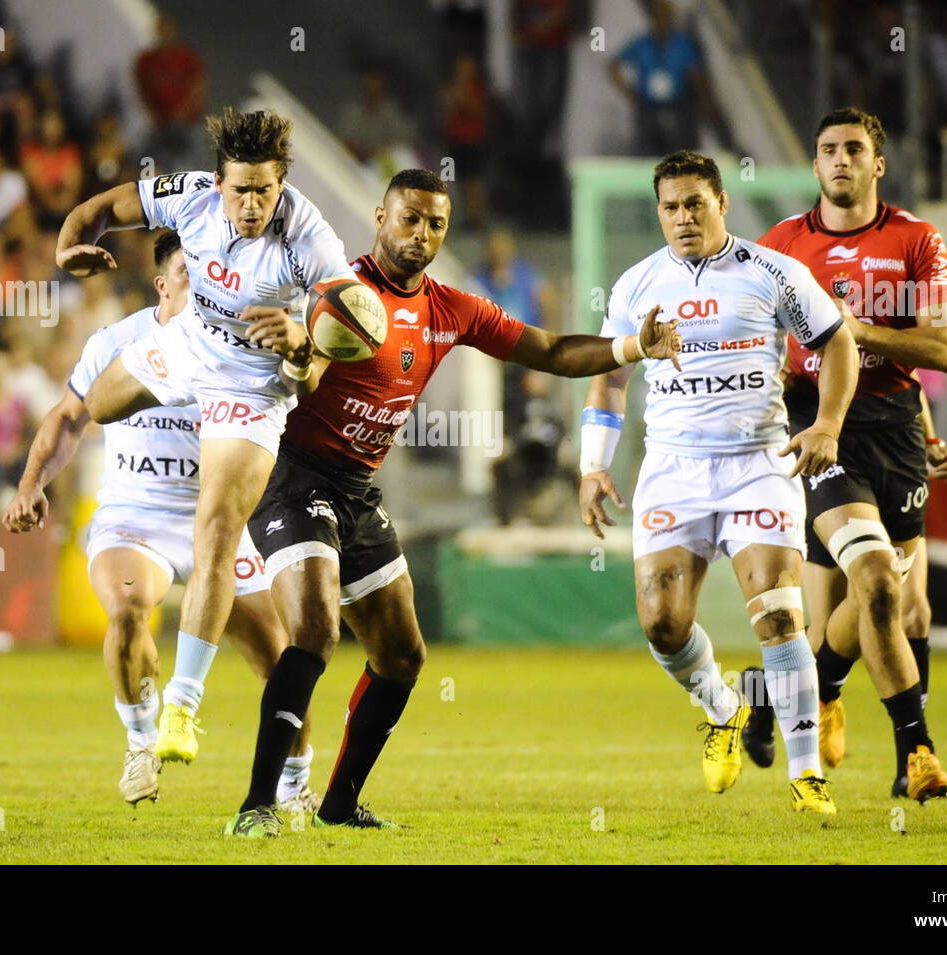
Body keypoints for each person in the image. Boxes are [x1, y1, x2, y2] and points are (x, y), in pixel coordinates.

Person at [226, 168, 684, 837]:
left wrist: (632, 346)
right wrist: (300, 356)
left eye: (435, 222)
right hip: (293, 477)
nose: (421, 234)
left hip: (356, 487)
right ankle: (256, 807)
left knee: (404, 655)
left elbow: (551, 350)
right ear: (380, 216)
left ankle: (338, 803)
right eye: (409, 218)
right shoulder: (335, 293)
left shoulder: (450, 309)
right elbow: (300, 367)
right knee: (316, 631)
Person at [53, 108, 354, 775]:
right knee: (99, 403)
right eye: (241, 189)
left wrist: (303, 345)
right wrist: (70, 243)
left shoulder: (307, 233)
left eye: (265, 191)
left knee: (215, 529)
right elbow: (104, 207)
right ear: (219, 182)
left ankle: (181, 707)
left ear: (283, 186)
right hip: (186, 348)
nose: (252, 204)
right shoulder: (188, 195)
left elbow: (348, 334)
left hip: (250, 387)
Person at [580, 150, 858, 815]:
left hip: (757, 464)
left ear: (722, 203)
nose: (682, 218)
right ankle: (723, 707)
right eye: (671, 207)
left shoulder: (774, 273)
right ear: (659, 213)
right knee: (663, 623)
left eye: (695, 204)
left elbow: (837, 340)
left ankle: (807, 772)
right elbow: (610, 376)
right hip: (673, 470)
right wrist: (594, 463)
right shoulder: (635, 285)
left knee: (781, 611)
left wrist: (827, 423)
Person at [4, 231, 317, 809]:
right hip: (135, 517)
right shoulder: (117, 342)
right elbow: (70, 416)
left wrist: (303, 354)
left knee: (279, 653)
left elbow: (297, 395)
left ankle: (295, 785)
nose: (202, 284)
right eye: (188, 273)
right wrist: (31, 485)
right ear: (163, 284)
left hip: (219, 522)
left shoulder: (242, 341)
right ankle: (142, 741)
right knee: (127, 612)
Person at [747, 108, 947, 801]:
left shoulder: (917, 240)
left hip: (894, 425)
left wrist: (856, 332)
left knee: (892, 599)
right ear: (814, 166)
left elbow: (944, 349)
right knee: (875, 577)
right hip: (817, 428)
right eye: (828, 150)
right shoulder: (778, 249)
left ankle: (786, 695)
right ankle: (918, 755)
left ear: (878, 164)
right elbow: (759, 352)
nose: (840, 159)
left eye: (854, 149)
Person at [607, 0, 715, 156]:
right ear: (653, 19)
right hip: (647, 108)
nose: (662, 21)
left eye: (666, 17)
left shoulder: (683, 44)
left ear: (671, 20)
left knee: (680, 154)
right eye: (658, 17)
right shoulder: (640, 44)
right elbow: (612, 65)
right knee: (647, 153)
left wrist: (706, 101)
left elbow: (697, 74)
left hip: (677, 108)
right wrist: (628, 92)